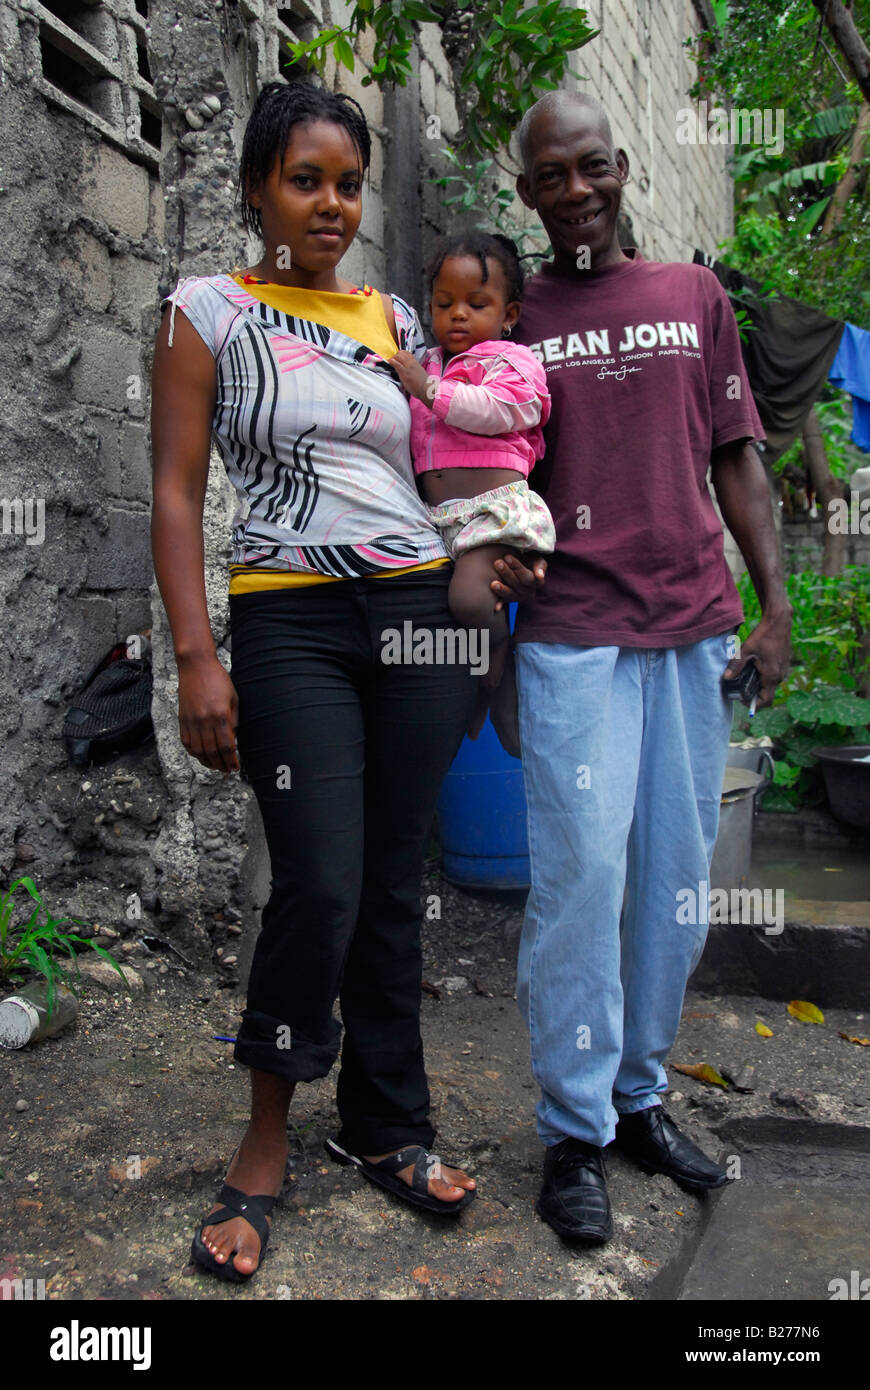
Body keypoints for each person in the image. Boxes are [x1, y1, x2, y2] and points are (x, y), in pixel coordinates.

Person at [150, 81, 480, 1282]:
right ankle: (264, 1138)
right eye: (305, 180)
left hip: (423, 614)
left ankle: (389, 1121)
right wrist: (198, 656)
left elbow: (456, 464)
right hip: (290, 617)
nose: (332, 203)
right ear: (255, 189)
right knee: (320, 881)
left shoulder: (401, 316)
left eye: (348, 182)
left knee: (395, 876)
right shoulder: (208, 312)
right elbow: (180, 491)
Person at [491, 90, 792, 1243]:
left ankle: (637, 1098)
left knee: (672, 886)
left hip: (692, 632)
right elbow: (483, 488)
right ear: (526, 194)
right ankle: (571, 1131)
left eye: (589, 168)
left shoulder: (692, 295)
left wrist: (773, 609)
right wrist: (490, 651)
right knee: (576, 886)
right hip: (572, 632)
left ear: (620, 169)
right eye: (549, 178)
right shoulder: (515, 321)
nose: (574, 192)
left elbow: (739, 460)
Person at [390, 232, 554, 707]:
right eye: (444, 303)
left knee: (468, 600)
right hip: (436, 520)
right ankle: (470, 684)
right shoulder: (429, 364)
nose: (457, 313)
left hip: (492, 514)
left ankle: (498, 652)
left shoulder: (513, 363)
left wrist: (428, 391)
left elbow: (497, 409)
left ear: (509, 316)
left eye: (476, 304)